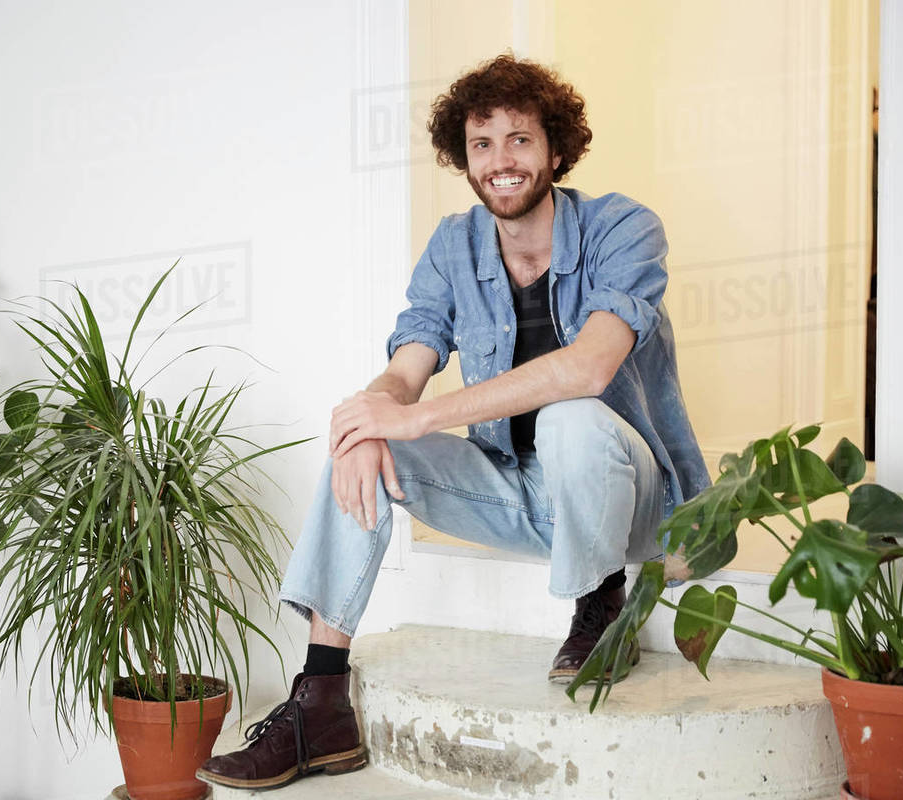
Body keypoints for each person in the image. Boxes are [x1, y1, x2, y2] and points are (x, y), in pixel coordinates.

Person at [197, 53, 709, 792]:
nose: (500, 162)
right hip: (519, 494)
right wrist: (369, 421)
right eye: (481, 144)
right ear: (463, 158)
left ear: (556, 150)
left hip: (630, 501)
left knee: (570, 416)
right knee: (368, 439)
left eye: (519, 140)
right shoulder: (453, 245)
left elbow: (590, 368)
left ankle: (600, 598)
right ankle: (321, 700)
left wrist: (420, 417)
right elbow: (406, 369)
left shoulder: (623, 228)